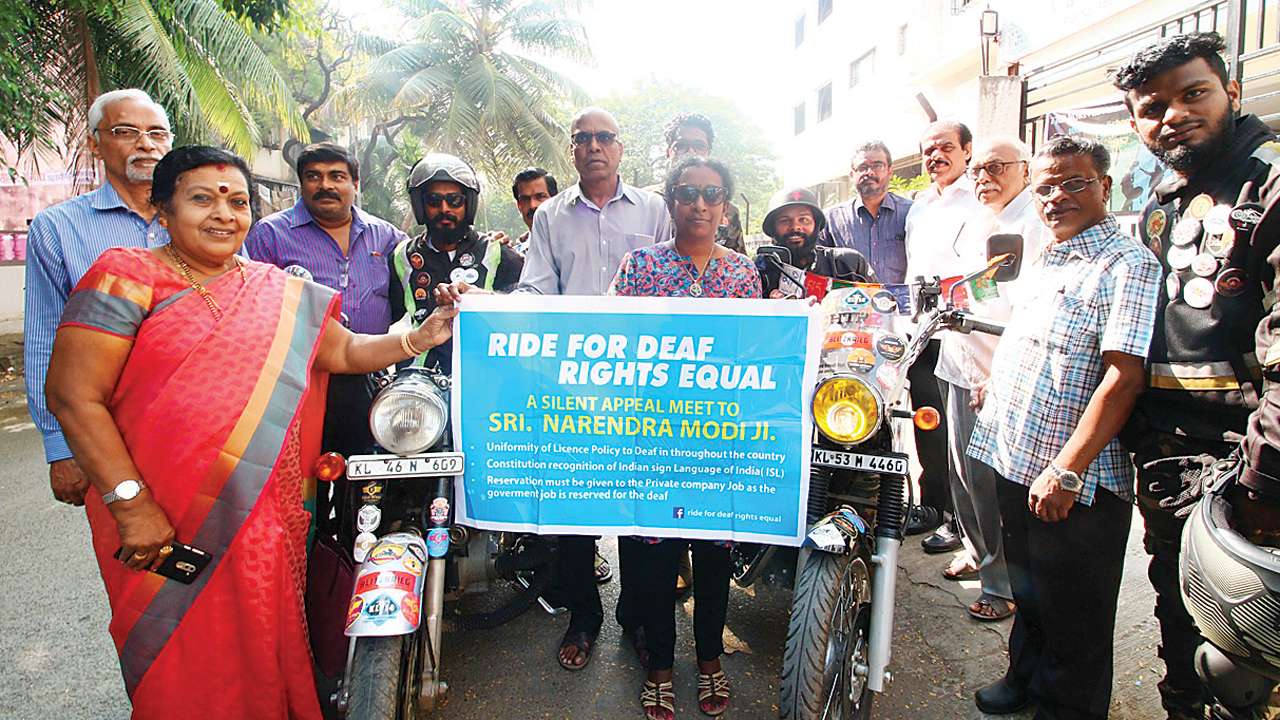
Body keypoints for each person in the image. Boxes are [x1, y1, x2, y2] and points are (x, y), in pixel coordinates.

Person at [43, 145, 456, 719]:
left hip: (264, 514)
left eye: (237, 202)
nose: (223, 214)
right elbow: (73, 396)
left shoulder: (279, 290)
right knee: (181, 661)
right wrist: (131, 505)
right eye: (202, 199)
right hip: (162, 512)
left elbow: (345, 351)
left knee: (264, 643)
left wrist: (420, 336)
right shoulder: (125, 278)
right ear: (162, 208)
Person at [1112, 32, 1280, 720]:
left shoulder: (1271, 182)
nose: (1173, 116)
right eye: (1153, 108)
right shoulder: (1164, 199)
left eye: (1194, 94)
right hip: (1171, 452)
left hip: (1255, 463)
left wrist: (1264, 482)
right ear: (1136, 124)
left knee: (1251, 658)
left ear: (1231, 92)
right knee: (1181, 620)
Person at [967, 136, 1162, 719]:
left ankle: (1067, 708)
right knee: (1030, 592)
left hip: (1075, 477)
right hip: (1014, 454)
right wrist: (994, 381)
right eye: (1046, 187)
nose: (1056, 197)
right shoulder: (1047, 254)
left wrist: (1068, 470)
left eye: (1074, 183)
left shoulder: (1128, 265)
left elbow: (1123, 377)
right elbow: (1030, 337)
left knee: (1076, 615)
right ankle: (1024, 679)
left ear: (1105, 186)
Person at [518, 106, 671, 671]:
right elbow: (536, 290)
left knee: (640, 504)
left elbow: (677, 278)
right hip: (574, 381)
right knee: (575, 504)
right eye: (582, 139)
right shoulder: (550, 216)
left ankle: (636, 616)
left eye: (604, 137)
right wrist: (491, 308)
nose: (594, 147)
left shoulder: (656, 209)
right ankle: (584, 616)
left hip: (645, 381)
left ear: (620, 147)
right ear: (572, 150)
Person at [610, 155, 757, 720]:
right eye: (689, 192)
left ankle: (710, 658)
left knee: (715, 558)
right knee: (654, 561)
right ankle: (661, 666)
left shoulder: (743, 274)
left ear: (726, 207)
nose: (700, 203)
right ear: (671, 201)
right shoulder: (640, 266)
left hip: (719, 441)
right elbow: (611, 343)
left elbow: (756, 355)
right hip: (653, 439)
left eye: (712, 194)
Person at [24, 88, 173, 507]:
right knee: (133, 535)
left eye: (157, 133)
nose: (145, 144)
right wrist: (61, 445)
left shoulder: (206, 218)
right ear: (95, 144)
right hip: (106, 428)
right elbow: (45, 339)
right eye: (126, 131)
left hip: (204, 423)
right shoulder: (59, 228)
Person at [934, 137, 1049, 623]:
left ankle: (1001, 584)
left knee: (990, 482)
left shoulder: (1035, 225)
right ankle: (979, 553)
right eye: (978, 170)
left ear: (1025, 169)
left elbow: (1032, 312)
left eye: (996, 167)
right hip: (956, 360)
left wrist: (1001, 374)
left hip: (999, 371)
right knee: (961, 476)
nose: (984, 178)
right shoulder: (979, 219)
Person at [244, 142, 409, 457]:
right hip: (299, 381)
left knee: (363, 469)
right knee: (303, 470)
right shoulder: (270, 235)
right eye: (313, 176)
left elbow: (421, 272)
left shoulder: (385, 236)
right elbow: (252, 309)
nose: (325, 185)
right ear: (301, 183)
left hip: (369, 377)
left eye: (337, 176)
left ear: (355, 184)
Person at [902, 120, 981, 550]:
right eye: (928, 150)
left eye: (946, 147)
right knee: (928, 421)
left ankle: (963, 522)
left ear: (967, 150)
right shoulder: (919, 204)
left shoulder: (980, 198)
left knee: (962, 430)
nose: (936, 156)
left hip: (966, 332)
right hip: (923, 331)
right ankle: (933, 506)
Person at [390, 152, 523, 369]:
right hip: (421, 375)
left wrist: (488, 300)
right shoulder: (402, 256)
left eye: (454, 200)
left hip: (483, 370)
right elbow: (383, 316)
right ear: (420, 206)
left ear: (468, 204)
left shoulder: (495, 251)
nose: (444, 209)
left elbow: (527, 307)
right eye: (434, 200)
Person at [644, 112, 745, 254]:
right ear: (668, 152)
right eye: (681, 145)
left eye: (699, 146)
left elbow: (736, 263)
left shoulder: (724, 209)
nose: (690, 152)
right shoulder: (645, 203)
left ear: (708, 152)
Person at [818, 140, 911, 283]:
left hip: (901, 298)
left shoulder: (911, 213)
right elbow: (818, 268)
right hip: (848, 297)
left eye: (878, 165)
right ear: (852, 174)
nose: (870, 172)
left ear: (890, 171)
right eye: (863, 167)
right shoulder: (830, 220)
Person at [757, 185, 876, 297]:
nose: (795, 227)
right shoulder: (758, 271)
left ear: (817, 226)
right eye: (784, 221)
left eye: (804, 219)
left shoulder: (848, 264)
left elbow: (879, 304)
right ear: (773, 229)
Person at [511, 167, 558, 255]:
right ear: (519, 206)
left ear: (555, 201)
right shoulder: (515, 257)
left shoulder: (576, 244)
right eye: (525, 199)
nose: (532, 205)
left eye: (540, 196)